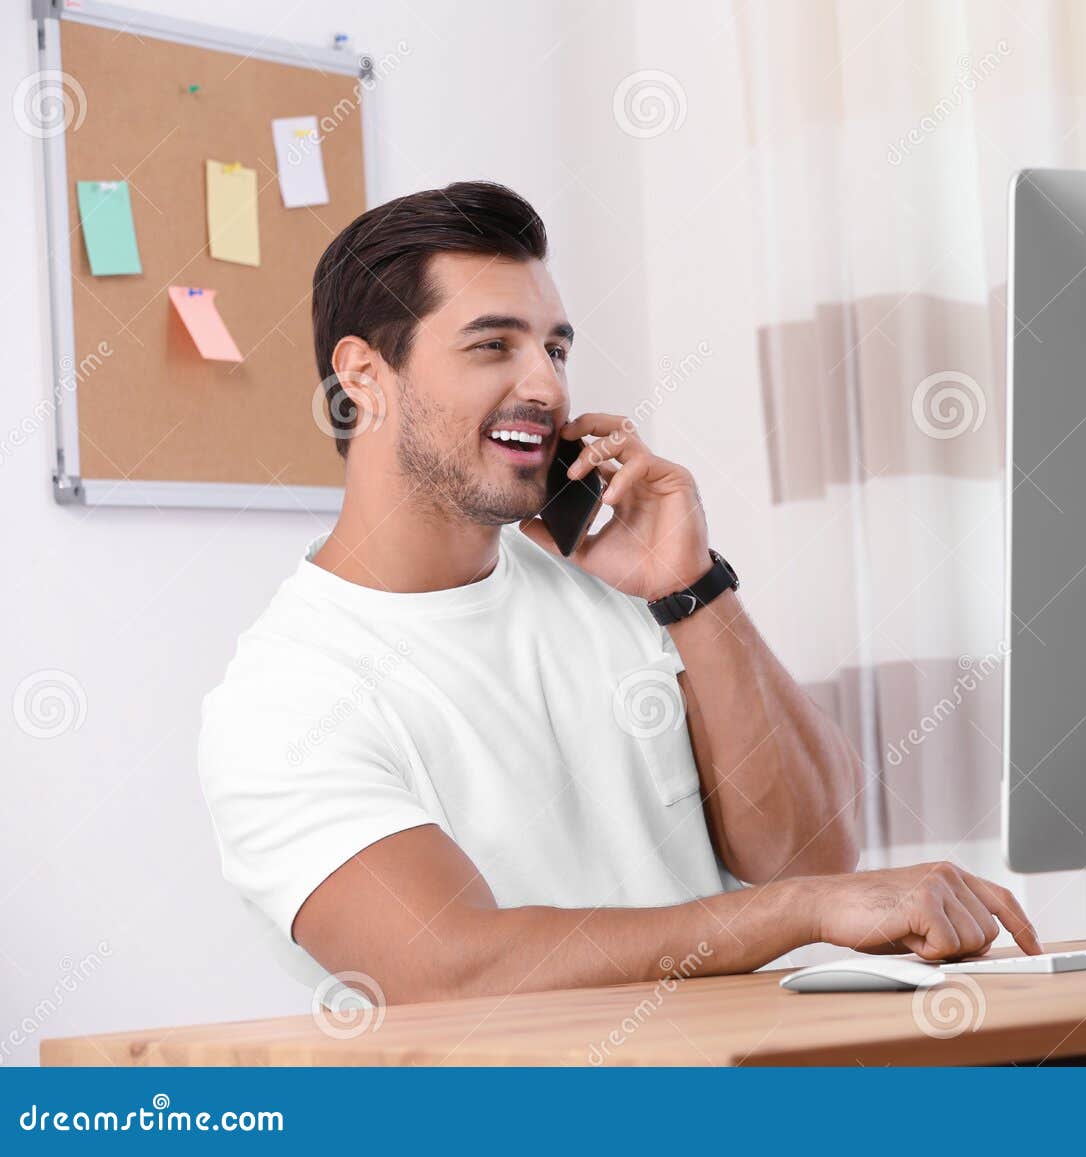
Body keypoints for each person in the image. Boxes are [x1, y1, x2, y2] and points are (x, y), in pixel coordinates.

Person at [198, 181, 1040, 1003]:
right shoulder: (286, 696)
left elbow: (815, 859)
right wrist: (796, 914)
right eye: (494, 345)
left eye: (555, 348)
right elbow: (449, 967)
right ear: (363, 376)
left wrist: (693, 587)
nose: (549, 388)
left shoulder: (617, 582)